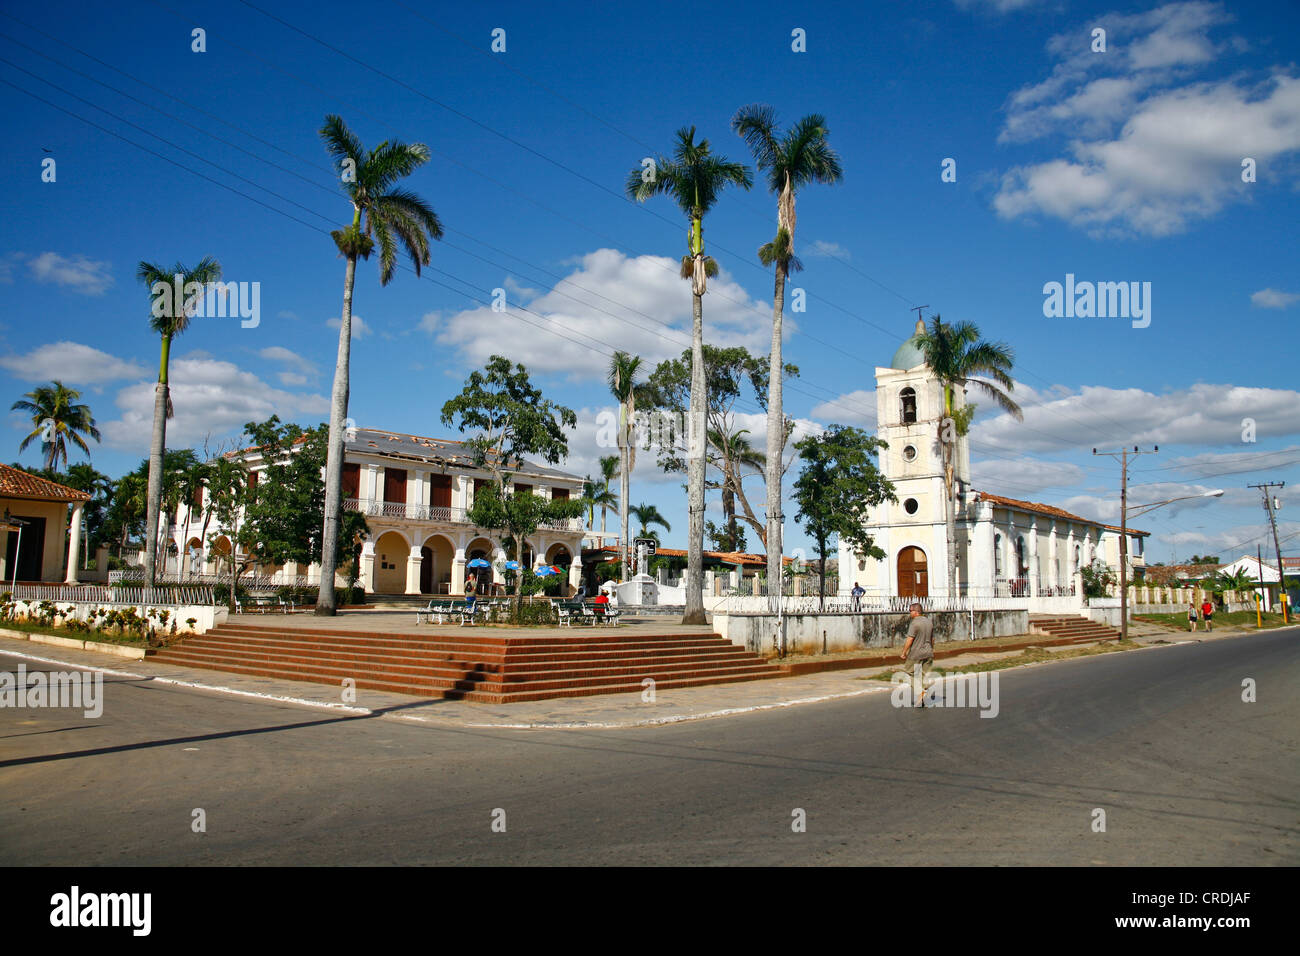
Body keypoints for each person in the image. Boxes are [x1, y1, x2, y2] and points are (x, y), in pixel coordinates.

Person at [900, 602, 935, 708]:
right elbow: (932, 639)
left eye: (910, 611)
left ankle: (921, 691)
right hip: (928, 653)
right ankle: (922, 694)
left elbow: (910, 639)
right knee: (922, 675)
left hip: (916, 654)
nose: (909, 613)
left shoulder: (915, 623)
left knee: (908, 674)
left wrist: (904, 652)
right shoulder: (929, 622)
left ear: (916, 612)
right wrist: (931, 650)